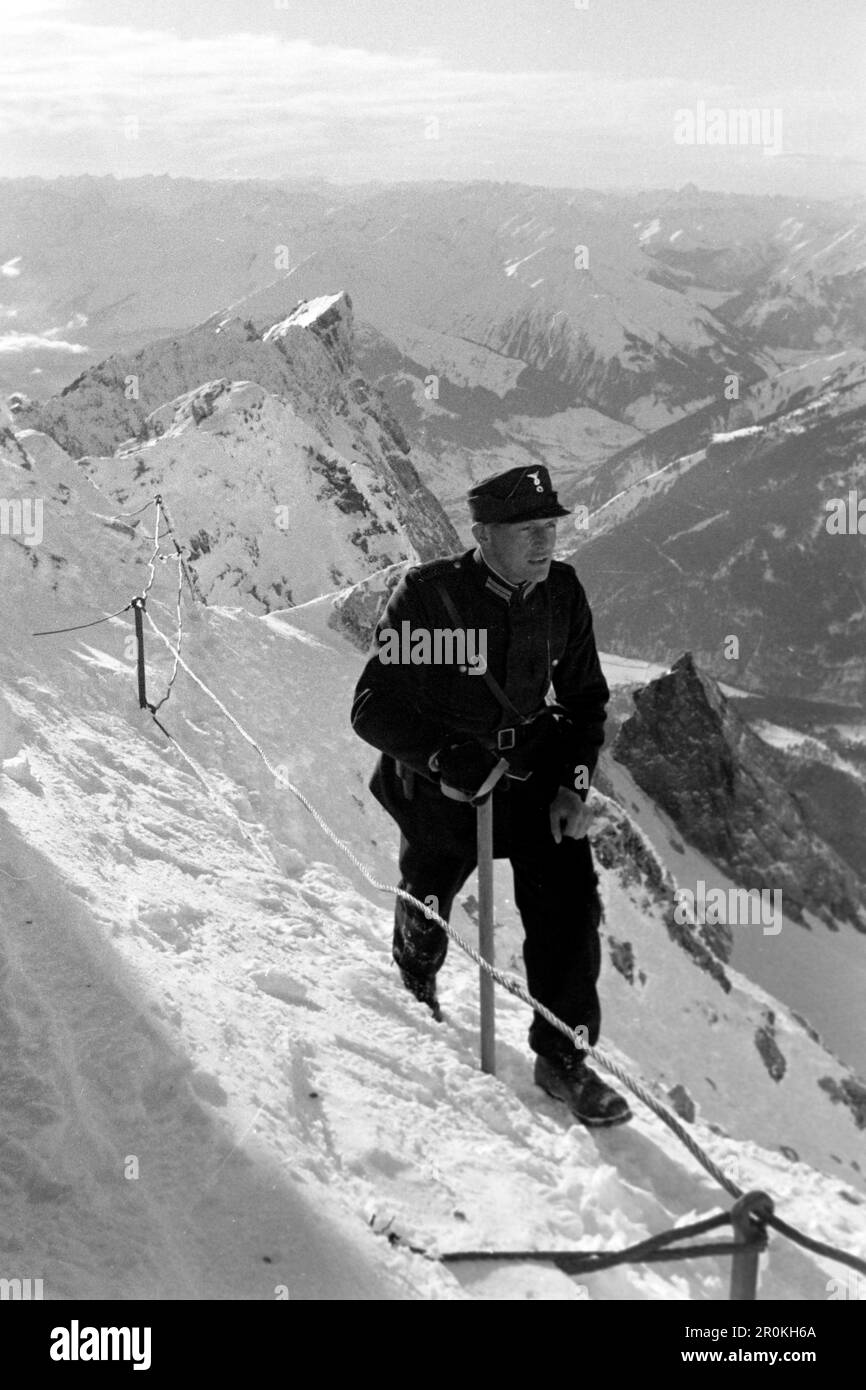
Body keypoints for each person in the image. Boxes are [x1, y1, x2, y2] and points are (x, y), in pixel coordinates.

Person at [350, 465, 631, 1127]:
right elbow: (371, 707)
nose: (545, 541)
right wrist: (445, 756)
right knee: (428, 902)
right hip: (441, 789)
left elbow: (585, 701)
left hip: (531, 778)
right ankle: (415, 978)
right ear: (482, 535)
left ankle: (562, 1058)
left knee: (568, 906)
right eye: (527, 529)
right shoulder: (429, 597)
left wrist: (573, 785)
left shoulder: (561, 592)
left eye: (550, 527)